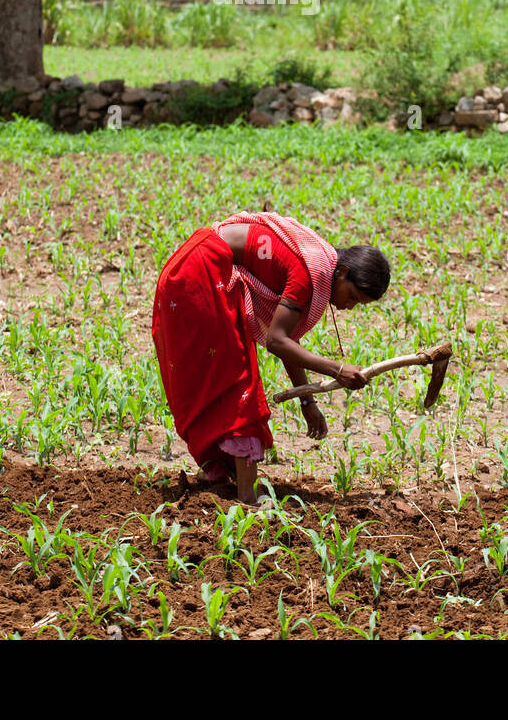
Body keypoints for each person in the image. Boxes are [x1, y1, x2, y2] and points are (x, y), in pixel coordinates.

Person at [151, 210, 390, 505]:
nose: (349, 307)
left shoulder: (319, 263)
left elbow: (287, 340)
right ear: (342, 273)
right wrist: (336, 370)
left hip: (192, 263)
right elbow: (277, 341)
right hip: (199, 272)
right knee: (238, 382)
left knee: (223, 373)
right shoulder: (310, 273)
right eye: (352, 296)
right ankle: (247, 496)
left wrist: (307, 401)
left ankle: (220, 469)